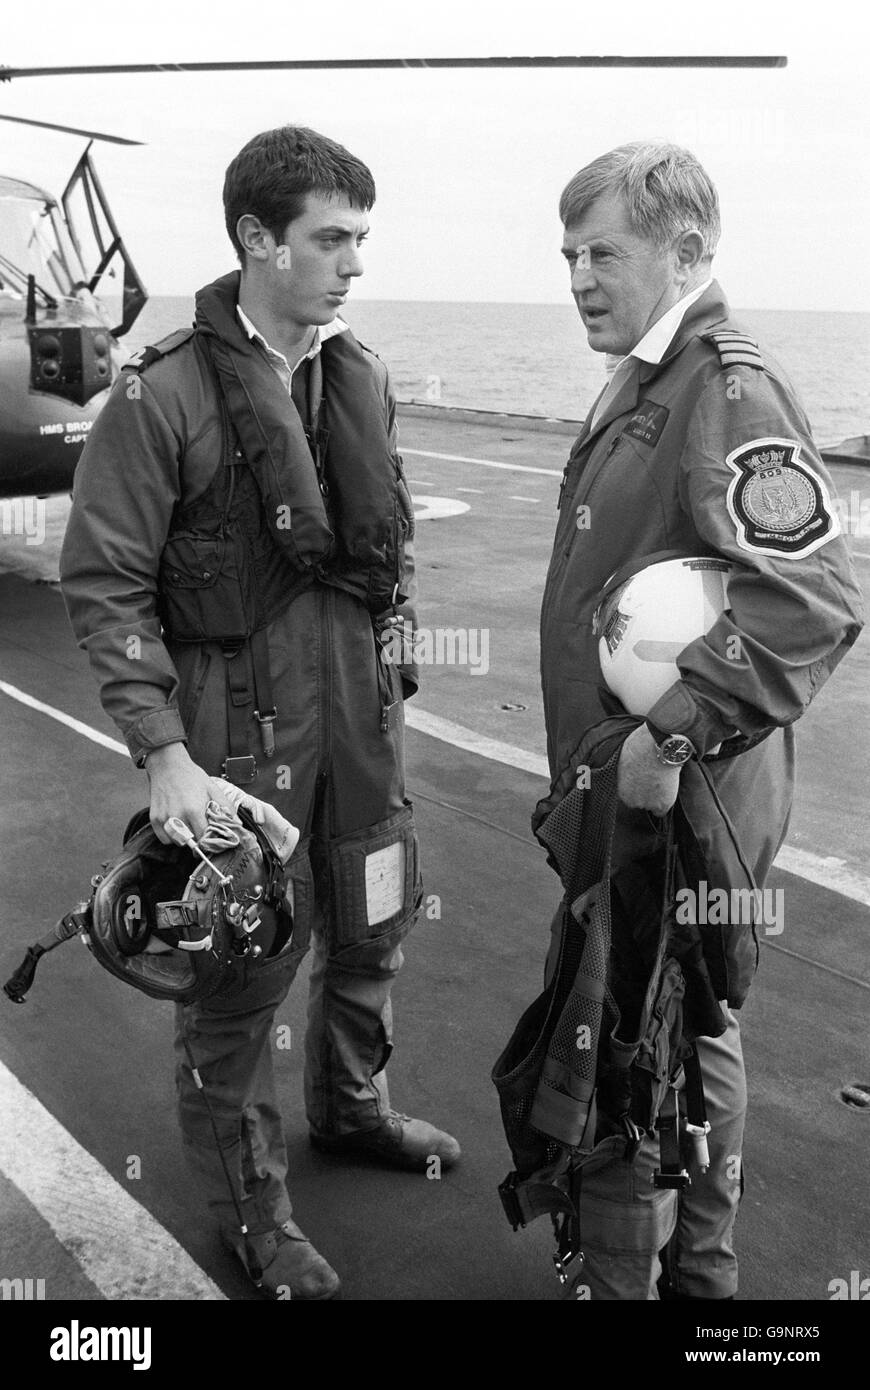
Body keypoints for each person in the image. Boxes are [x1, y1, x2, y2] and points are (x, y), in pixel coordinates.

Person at [60, 125, 459, 1302]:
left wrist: (401, 637)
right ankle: (256, 1217)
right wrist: (163, 751)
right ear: (255, 240)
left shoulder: (363, 375)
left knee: (373, 925)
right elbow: (105, 579)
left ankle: (351, 1108)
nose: (352, 265)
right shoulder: (164, 390)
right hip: (239, 750)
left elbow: (387, 547)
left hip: (365, 734)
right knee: (240, 983)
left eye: (360, 241)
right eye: (331, 240)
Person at [539, 140, 864, 1300]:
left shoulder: (728, 386)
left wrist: (669, 729)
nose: (578, 275)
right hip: (630, 788)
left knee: (656, 1034)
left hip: (684, 796)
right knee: (676, 1026)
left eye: (604, 252)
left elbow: (816, 599)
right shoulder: (645, 374)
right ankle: (696, 1281)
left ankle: (661, 1282)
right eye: (569, 253)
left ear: (687, 250)